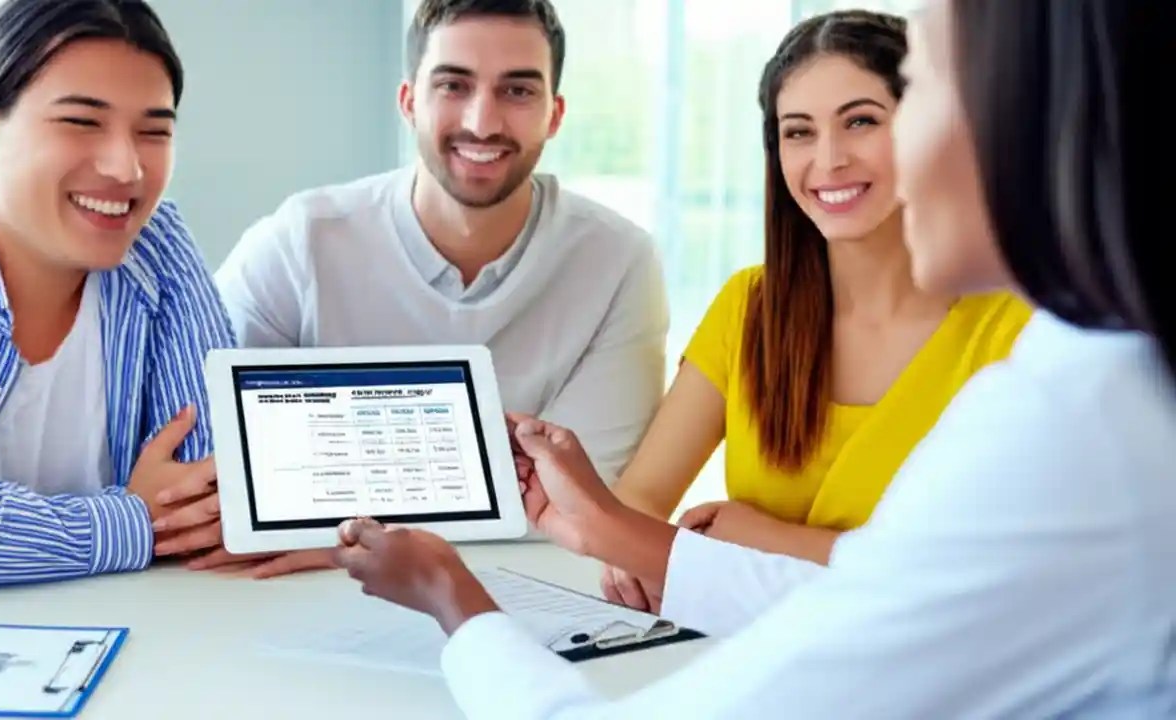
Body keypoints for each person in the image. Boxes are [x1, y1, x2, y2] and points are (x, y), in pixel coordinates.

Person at [326, 0, 1176, 715]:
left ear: (1041, 114)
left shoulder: (1071, 419)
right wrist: (612, 526)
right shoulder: (1106, 383)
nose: (836, 161)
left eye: (914, 99)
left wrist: (453, 599)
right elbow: (862, 602)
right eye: (797, 132)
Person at [195, 0, 667, 577]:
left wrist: (336, 531)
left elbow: (578, 499)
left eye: (517, 91)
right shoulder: (301, 241)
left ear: (554, 114)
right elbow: (223, 464)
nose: (482, 122)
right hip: (296, 591)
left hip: (521, 586)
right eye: (453, 85)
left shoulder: (620, 261)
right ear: (409, 101)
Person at [601, 9, 1029, 612]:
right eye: (798, 132)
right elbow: (639, 498)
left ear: (925, 127)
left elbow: (993, 575)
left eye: (860, 122)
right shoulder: (748, 307)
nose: (828, 161)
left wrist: (771, 543)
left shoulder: (1015, 330)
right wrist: (627, 549)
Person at [0, 0, 234, 594]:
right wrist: (129, 521)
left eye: (154, 131)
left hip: (136, 642)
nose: (126, 168)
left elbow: (212, 493)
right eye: (82, 122)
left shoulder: (158, 243)